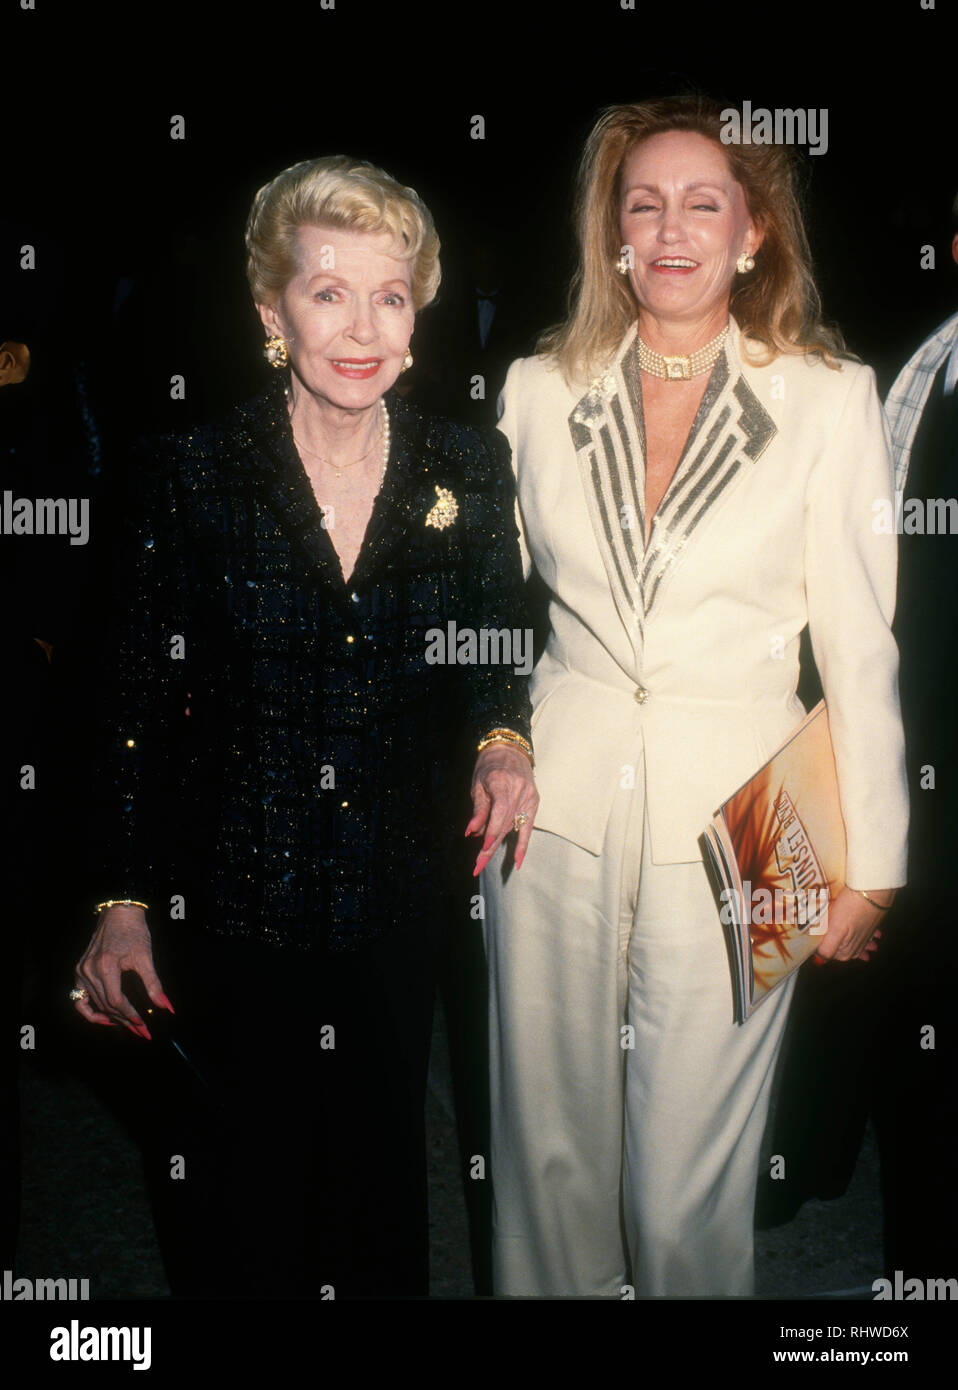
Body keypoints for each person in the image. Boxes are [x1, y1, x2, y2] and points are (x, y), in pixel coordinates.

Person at [70, 155, 536, 1298]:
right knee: (241, 1207)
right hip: (230, 900)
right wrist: (119, 905)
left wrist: (501, 741)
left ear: (419, 314)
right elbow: (126, 703)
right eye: (328, 292)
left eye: (389, 294)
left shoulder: (468, 469)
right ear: (271, 310)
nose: (361, 326)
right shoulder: (188, 477)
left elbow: (492, 643)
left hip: (394, 897)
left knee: (382, 1195)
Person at [482, 95, 908, 1298]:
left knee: (687, 1183)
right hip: (548, 813)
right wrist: (491, 738)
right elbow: (473, 615)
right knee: (545, 1152)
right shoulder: (532, 391)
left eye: (702, 202)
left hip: (759, 824)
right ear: (611, 231)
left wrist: (869, 860)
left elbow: (861, 645)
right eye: (643, 202)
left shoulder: (828, 397)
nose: (670, 230)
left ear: (754, 231)